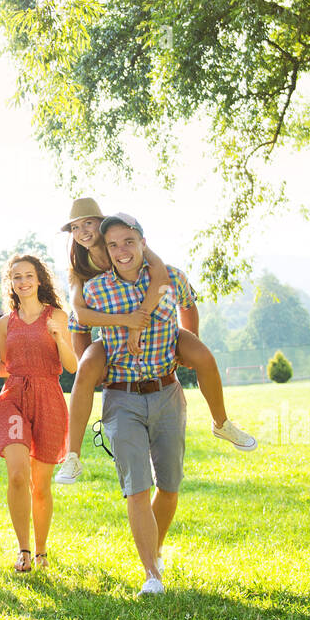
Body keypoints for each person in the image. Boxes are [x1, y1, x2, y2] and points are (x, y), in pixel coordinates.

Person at [55, 197, 255, 485]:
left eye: (88, 223)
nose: (83, 231)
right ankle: (72, 456)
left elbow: (162, 277)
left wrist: (178, 338)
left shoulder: (128, 242)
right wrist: (124, 327)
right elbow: (80, 317)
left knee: (203, 355)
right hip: (111, 335)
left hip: (153, 327)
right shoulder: (80, 269)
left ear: (102, 223)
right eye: (75, 227)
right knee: (86, 368)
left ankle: (221, 423)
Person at [83, 213, 200, 595]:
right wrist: (93, 364)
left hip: (167, 392)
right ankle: (152, 573)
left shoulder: (170, 278)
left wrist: (188, 344)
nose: (121, 251)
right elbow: (76, 326)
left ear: (142, 241)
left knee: (168, 485)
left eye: (128, 242)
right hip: (121, 397)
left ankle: (155, 549)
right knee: (137, 486)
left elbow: (190, 304)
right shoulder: (97, 290)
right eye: (113, 245)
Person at [0, 255, 79, 572]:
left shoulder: (58, 315)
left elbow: (71, 366)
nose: (23, 282)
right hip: (13, 398)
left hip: (49, 397)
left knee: (41, 486)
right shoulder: (5, 323)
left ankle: (42, 551)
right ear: (11, 283)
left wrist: (59, 337)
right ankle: (24, 551)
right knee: (18, 474)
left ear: (40, 279)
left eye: (28, 276)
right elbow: (6, 367)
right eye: (16, 277)